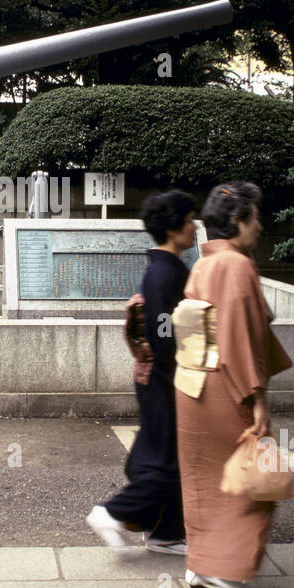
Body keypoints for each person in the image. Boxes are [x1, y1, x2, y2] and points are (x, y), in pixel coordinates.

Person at [174, 181, 291, 588]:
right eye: (255, 218)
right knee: (252, 479)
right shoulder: (237, 267)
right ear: (239, 220)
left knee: (206, 478)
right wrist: (257, 395)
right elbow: (239, 335)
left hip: (192, 387)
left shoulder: (204, 264)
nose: (259, 226)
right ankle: (227, 573)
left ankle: (203, 563)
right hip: (227, 385)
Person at [87, 189, 196, 555]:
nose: (195, 225)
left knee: (166, 452)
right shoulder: (166, 273)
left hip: (159, 376)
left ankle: (166, 533)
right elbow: (163, 331)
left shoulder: (164, 269)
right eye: (189, 219)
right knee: (165, 459)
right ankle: (112, 512)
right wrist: (180, 367)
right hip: (164, 378)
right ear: (175, 226)